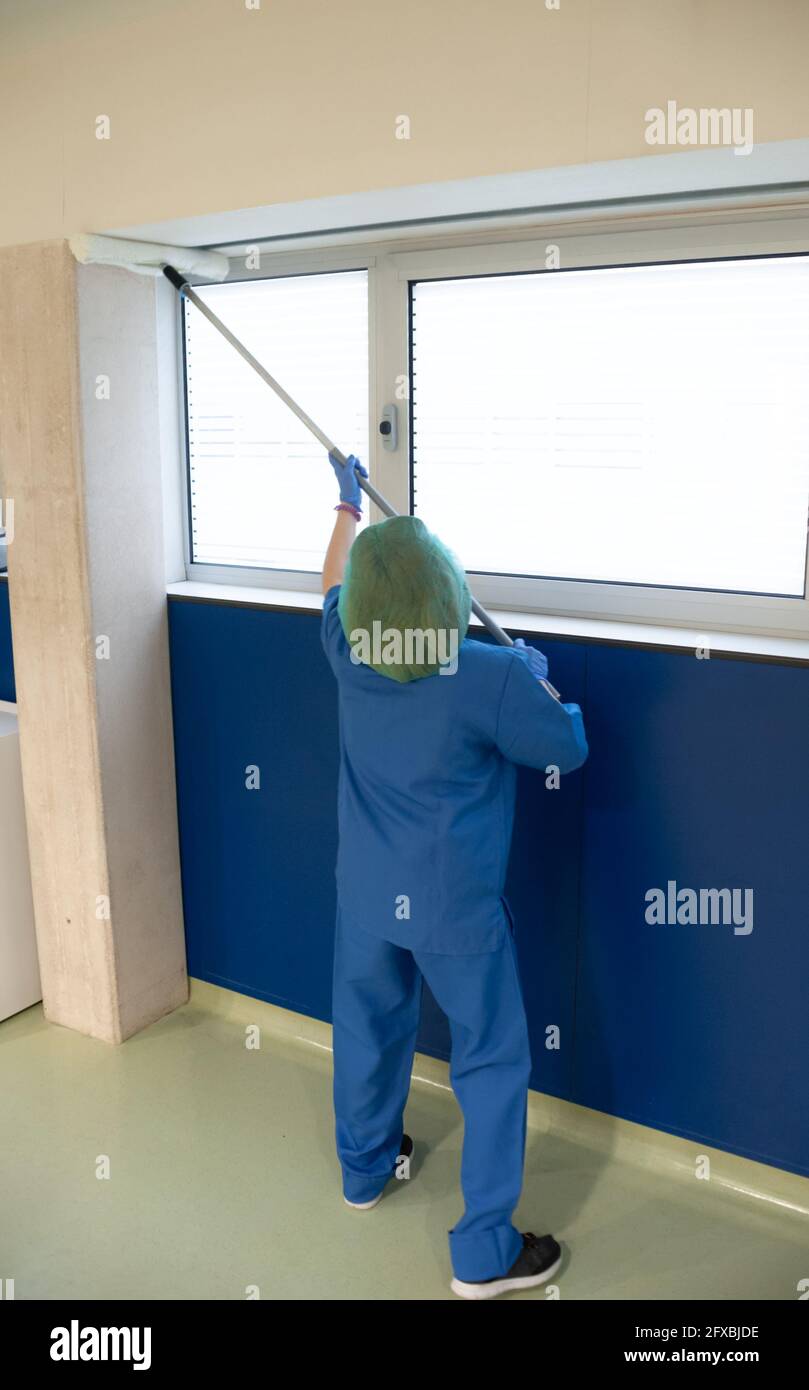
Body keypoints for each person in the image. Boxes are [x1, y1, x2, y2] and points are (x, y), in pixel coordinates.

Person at [321, 450, 588, 1300]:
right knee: (489, 1063)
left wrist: (344, 508)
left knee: (368, 1028)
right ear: (448, 596)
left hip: (364, 897)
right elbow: (569, 747)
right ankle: (482, 1254)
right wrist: (542, 684)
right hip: (454, 913)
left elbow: (329, 591)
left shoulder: (347, 649)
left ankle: (364, 1173)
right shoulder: (487, 673)